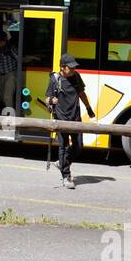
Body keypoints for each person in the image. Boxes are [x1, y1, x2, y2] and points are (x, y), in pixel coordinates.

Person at [45, 53, 95, 189]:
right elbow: (47, 99)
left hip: (75, 117)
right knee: (64, 146)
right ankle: (66, 177)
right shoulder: (55, 80)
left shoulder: (76, 77)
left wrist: (88, 107)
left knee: (79, 146)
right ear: (62, 67)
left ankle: (62, 163)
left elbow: (81, 93)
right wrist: (51, 100)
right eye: (70, 68)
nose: (73, 70)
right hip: (61, 118)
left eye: (74, 68)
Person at [0, 25, 20, 112]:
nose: (0, 43)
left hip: (11, 75)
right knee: (1, 97)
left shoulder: (11, 48)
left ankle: (10, 116)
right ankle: (6, 112)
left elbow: (19, 59)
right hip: (0, 76)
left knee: (7, 97)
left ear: (5, 40)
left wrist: (9, 52)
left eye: (2, 41)